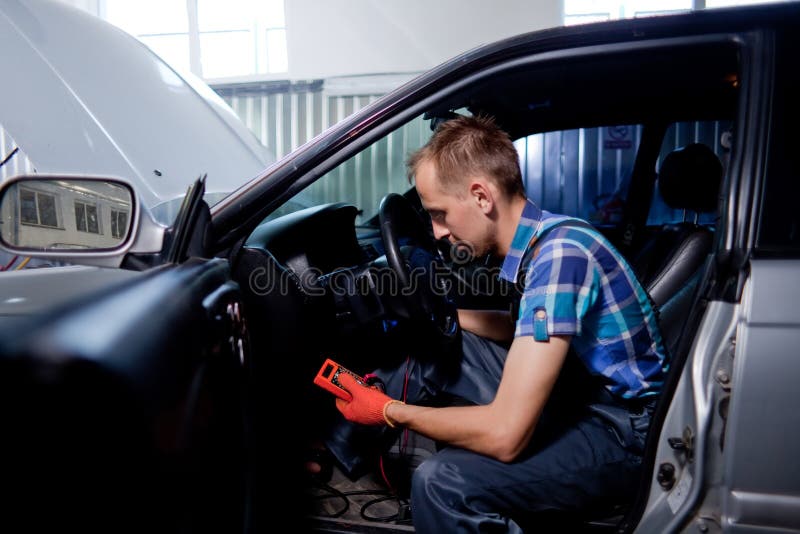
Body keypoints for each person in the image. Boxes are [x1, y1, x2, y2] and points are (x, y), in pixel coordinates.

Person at [327, 115, 666, 533]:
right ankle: (336, 454)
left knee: (441, 482)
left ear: (482, 196)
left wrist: (389, 411)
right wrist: (438, 313)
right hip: (584, 393)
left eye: (440, 214)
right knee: (434, 340)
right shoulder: (545, 238)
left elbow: (506, 437)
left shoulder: (561, 257)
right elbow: (516, 326)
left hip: (626, 432)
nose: (436, 232)